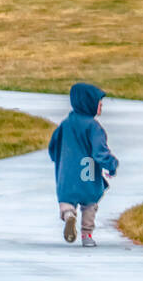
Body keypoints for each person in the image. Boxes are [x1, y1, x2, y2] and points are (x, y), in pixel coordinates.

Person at [47, 82, 119, 247]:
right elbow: (99, 153)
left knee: (66, 202)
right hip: (89, 176)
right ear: (89, 104)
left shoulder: (65, 124)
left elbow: (53, 146)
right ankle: (87, 235)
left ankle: (68, 216)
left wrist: (57, 159)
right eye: (99, 104)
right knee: (89, 205)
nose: (101, 107)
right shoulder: (94, 127)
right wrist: (112, 165)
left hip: (67, 176)